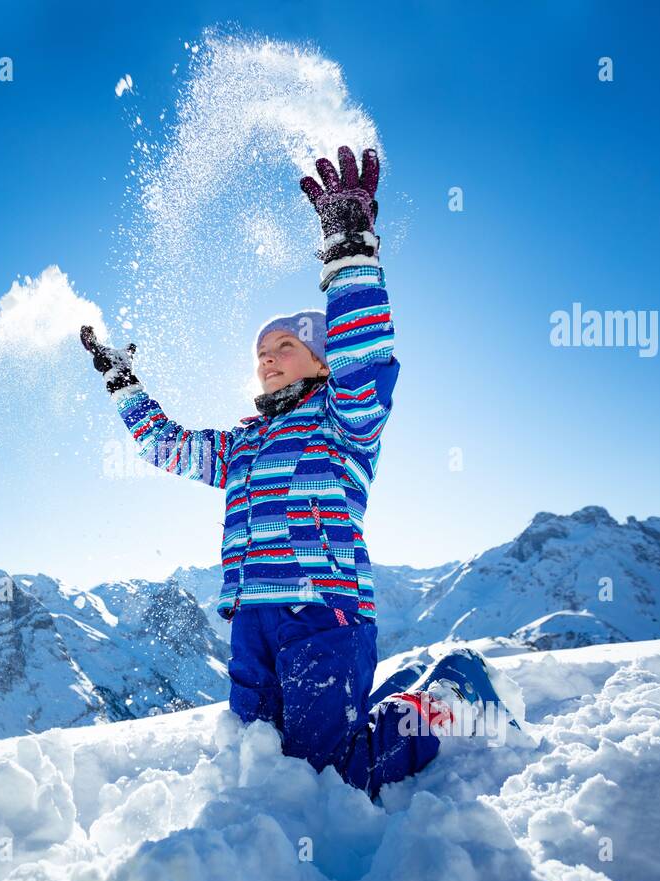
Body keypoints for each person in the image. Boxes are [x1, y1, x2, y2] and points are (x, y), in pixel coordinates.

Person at [82, 145, 514, 801]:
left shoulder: (344, 421)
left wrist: (350, 255)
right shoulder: (243, 444)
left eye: (286, 345)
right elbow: (166, 445)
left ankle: (449, 697)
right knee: (264, 775)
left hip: (322, 620)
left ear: (321, 361)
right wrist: (122, 383)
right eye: (262, 351)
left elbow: (366, 359)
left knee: (333, 779)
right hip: (250, 628)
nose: (268, 358)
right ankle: (392, 701)